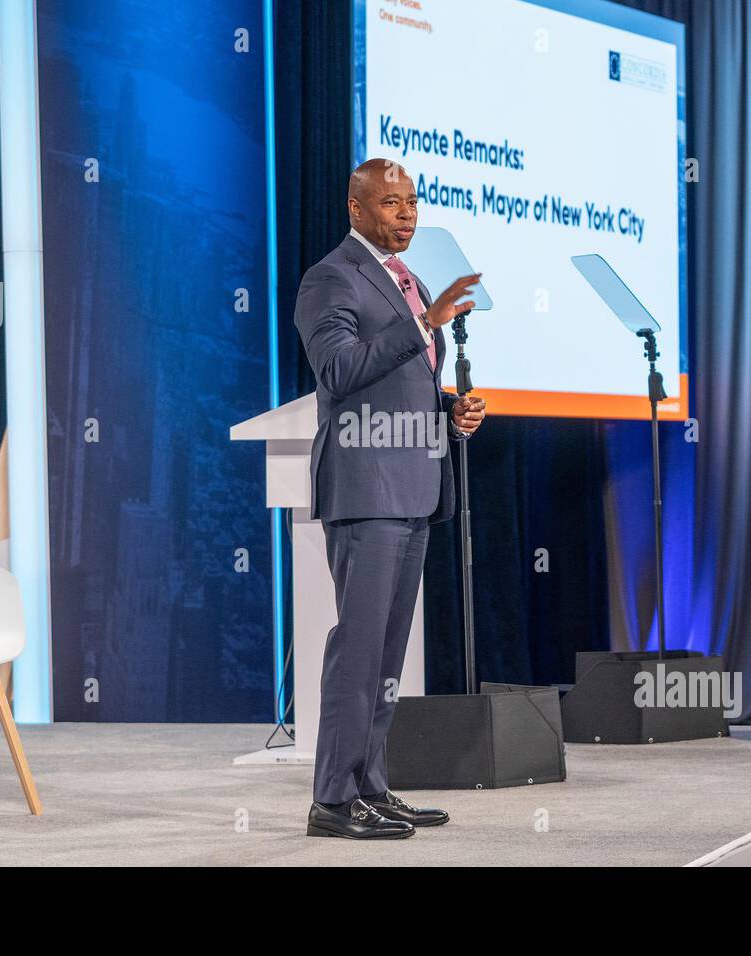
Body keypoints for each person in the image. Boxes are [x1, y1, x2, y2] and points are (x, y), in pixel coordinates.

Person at [294, 158, 487, 839]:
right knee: (360, 646)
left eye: (411, 203)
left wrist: (448, 412)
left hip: (413, 484)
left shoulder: (410, 281)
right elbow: (342, 370)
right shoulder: (330, 279)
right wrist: (424, 322)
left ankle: (371, 785)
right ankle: (332, 800)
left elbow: (400, 383)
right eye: (390, 203)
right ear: (356, 209)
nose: (405, 214)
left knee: (388, 653)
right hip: (366, 485)